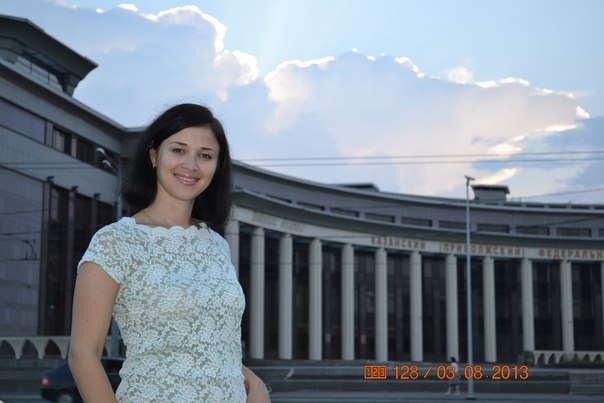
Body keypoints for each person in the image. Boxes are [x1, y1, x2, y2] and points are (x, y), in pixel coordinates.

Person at [68, 103, 271, 402]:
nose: (191, 164)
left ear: (217, 167)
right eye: (178, 150)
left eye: (205, 155)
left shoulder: (217, 245)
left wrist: (255, 383)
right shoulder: (115, 242)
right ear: (154, 155)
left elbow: (209, 347)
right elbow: (83, 354)